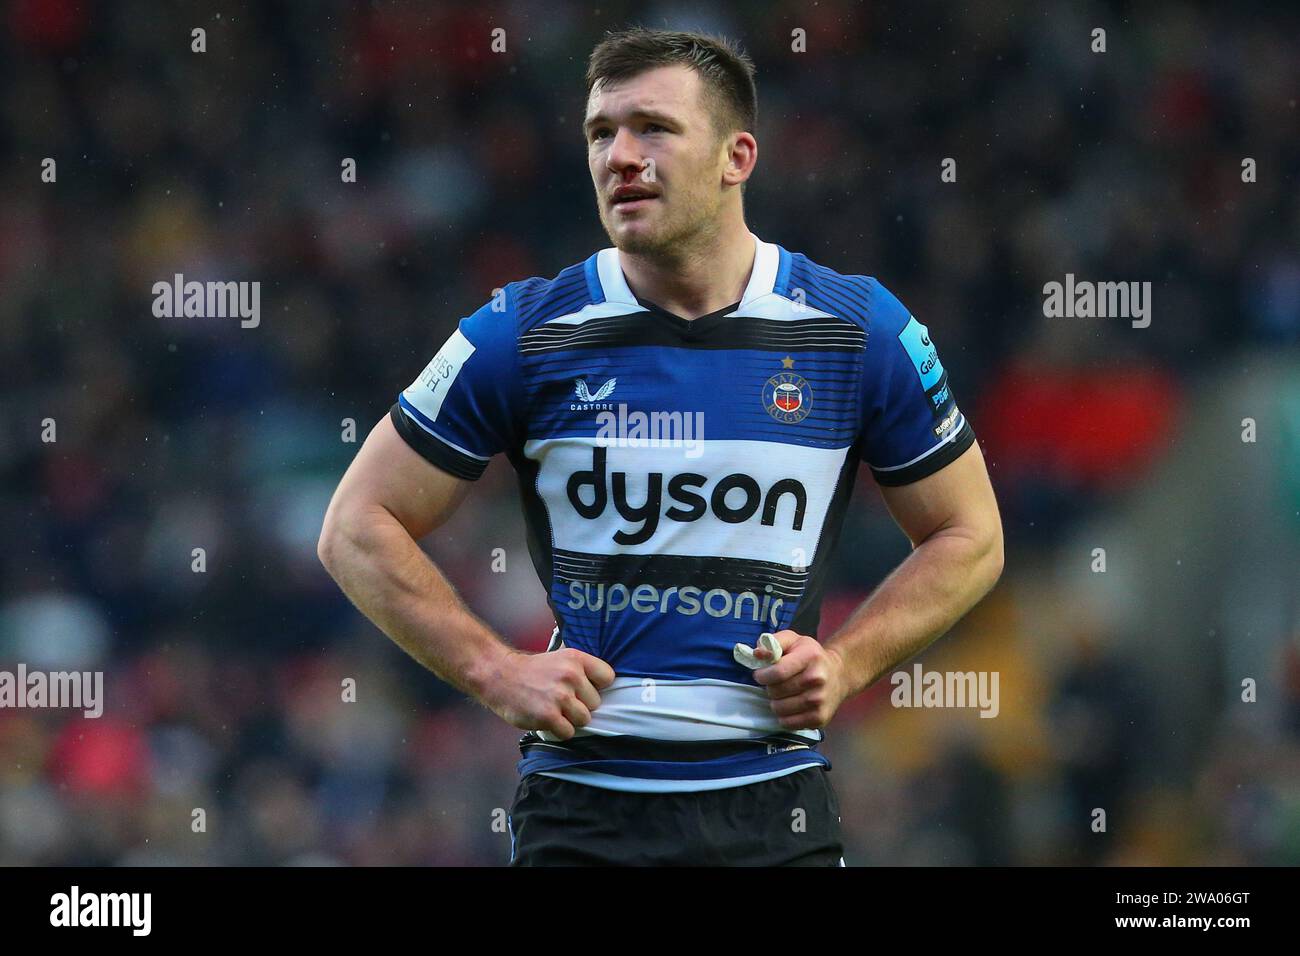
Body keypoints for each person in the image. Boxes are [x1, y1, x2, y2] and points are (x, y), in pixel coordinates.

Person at [317, 27, 1004, 866]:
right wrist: (497, 673)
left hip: (772, 811)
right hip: (582, 815)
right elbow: (355, 525)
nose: (621, 156)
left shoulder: (856, 330)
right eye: (602, 133)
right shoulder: (524, 330)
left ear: (736, 156)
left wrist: (851, 663)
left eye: (654, 128)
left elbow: (972, 537)